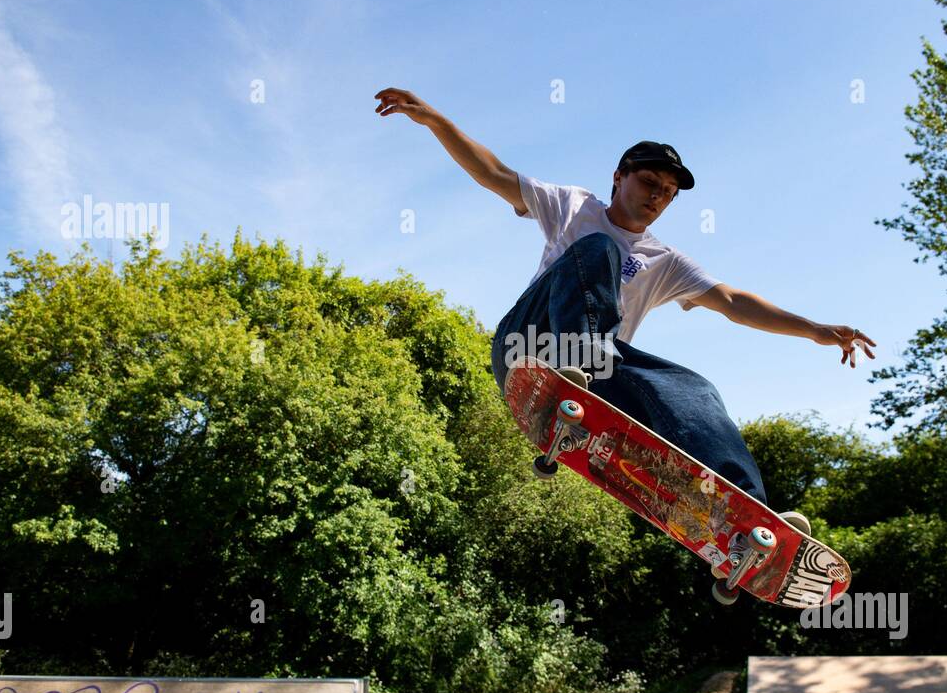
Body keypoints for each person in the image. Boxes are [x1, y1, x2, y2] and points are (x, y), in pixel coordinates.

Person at [375, 88, 876, 506]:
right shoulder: (572, 207)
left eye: (668, 193)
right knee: (597, 251)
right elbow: (495, 174)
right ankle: (576, 372)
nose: (657, 196)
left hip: (596, 376)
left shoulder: (666, 260)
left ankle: (740, 507)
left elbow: (731, 301)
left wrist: (813, 329)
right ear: (618, 177)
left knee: (692, 388)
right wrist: (436, 121)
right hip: (525, 345)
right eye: (649, 182)